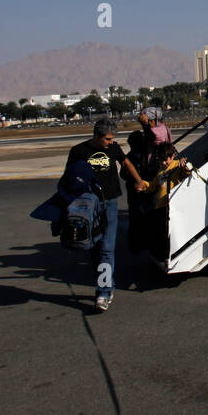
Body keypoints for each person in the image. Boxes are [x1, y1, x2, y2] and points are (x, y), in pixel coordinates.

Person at [61, 119, 148, 312]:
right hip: (89, 206)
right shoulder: (78, 151)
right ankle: (107, 284)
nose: (111, 142)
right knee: (93, 247)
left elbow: (127, 163)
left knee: (107, 249)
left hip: (109, 203)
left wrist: (139, 181)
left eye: (112, 139)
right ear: (96, 136)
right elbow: (68, 176)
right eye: (108, 139)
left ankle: (103, 292)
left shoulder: (114, 148)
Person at [124, 107, 172, 255]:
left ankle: (154, 244)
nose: (141, 117)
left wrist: (145, 124)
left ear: (152, 119)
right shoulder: (155, 128)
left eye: (145, 116)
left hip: (157, 175)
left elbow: (152, 137)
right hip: (153, 175)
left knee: (155, 212)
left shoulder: (159, 130)